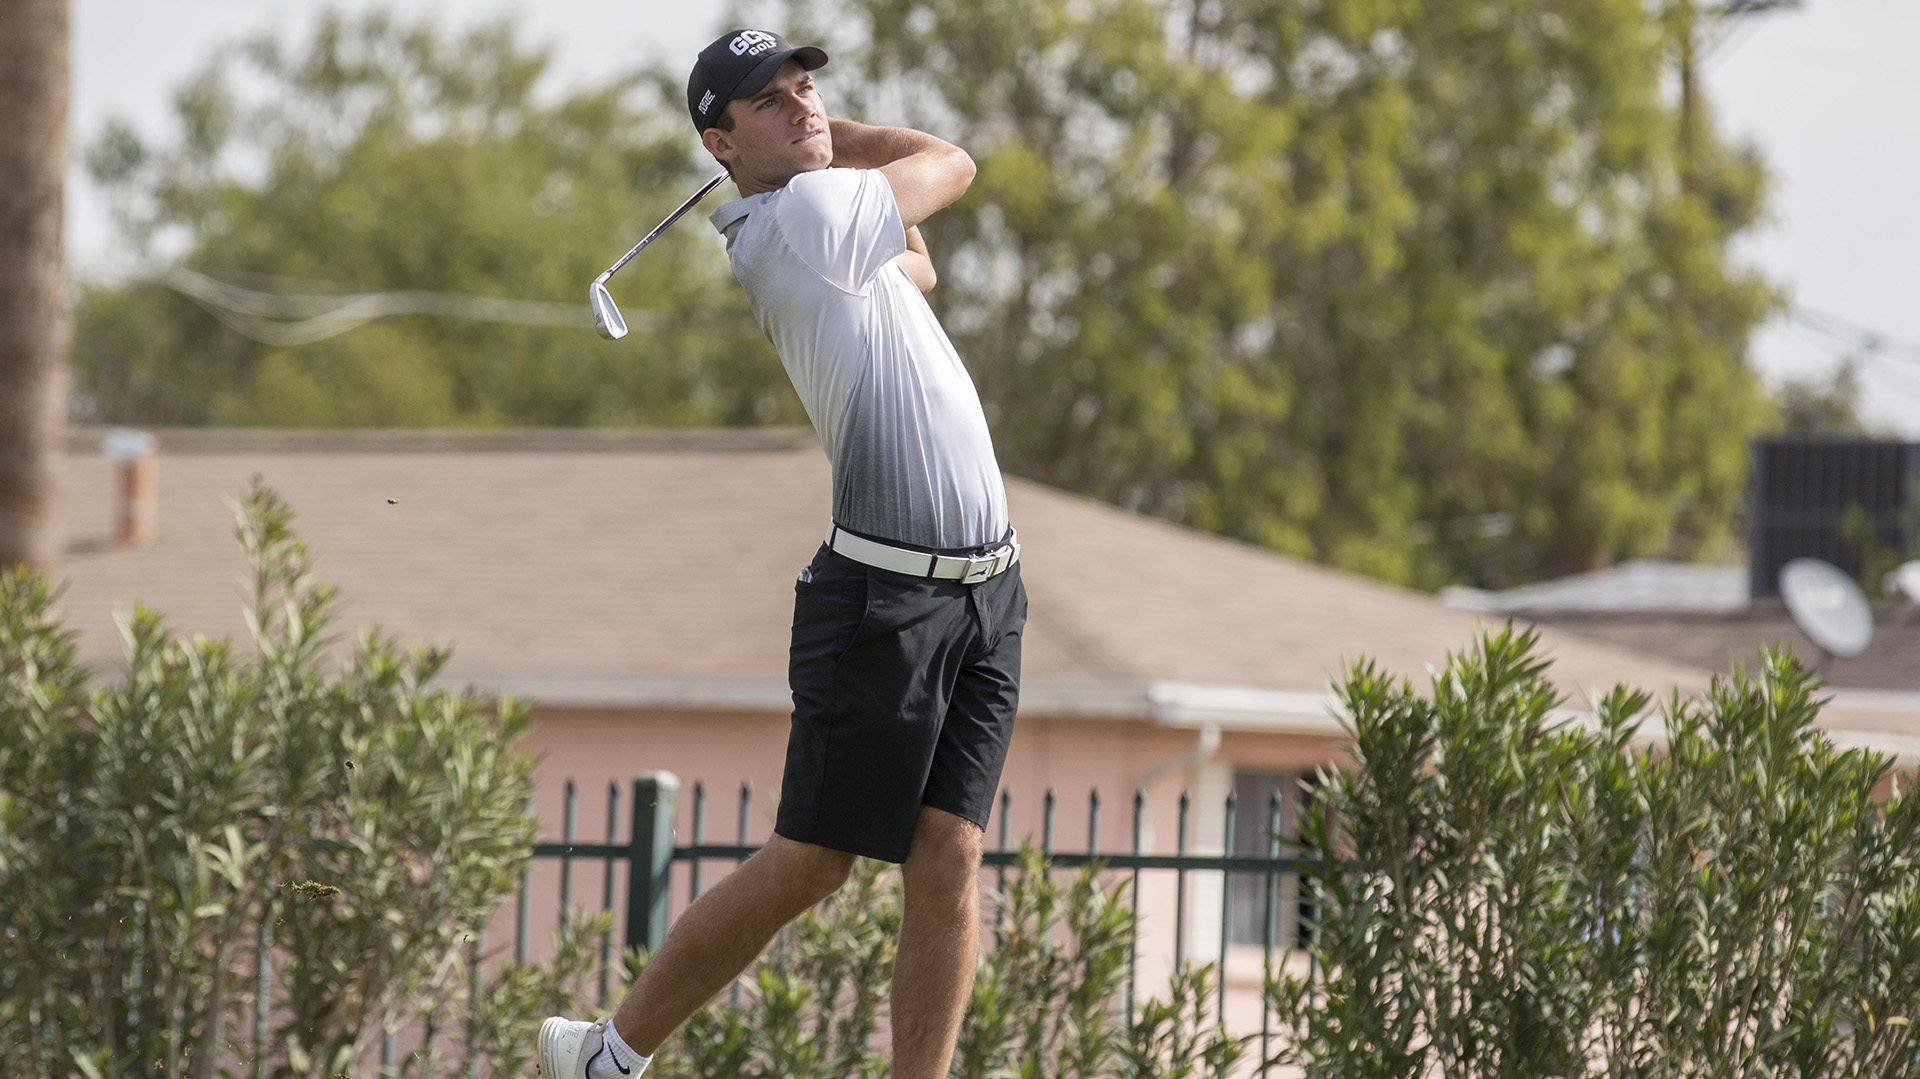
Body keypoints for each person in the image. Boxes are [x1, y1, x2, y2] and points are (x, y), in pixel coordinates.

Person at [537, 28, 1026, 1079]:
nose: (802, 104)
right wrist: (844, 138)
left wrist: (812, 138)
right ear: (720, 142)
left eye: (806, 86)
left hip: (988, 589)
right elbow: (951, 161)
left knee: (950, 854)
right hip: (884, 594)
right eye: (770, 101)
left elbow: (921, 263)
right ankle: (610, 1054)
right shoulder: (802, 215)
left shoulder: (828, 221)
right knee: (814, 860)